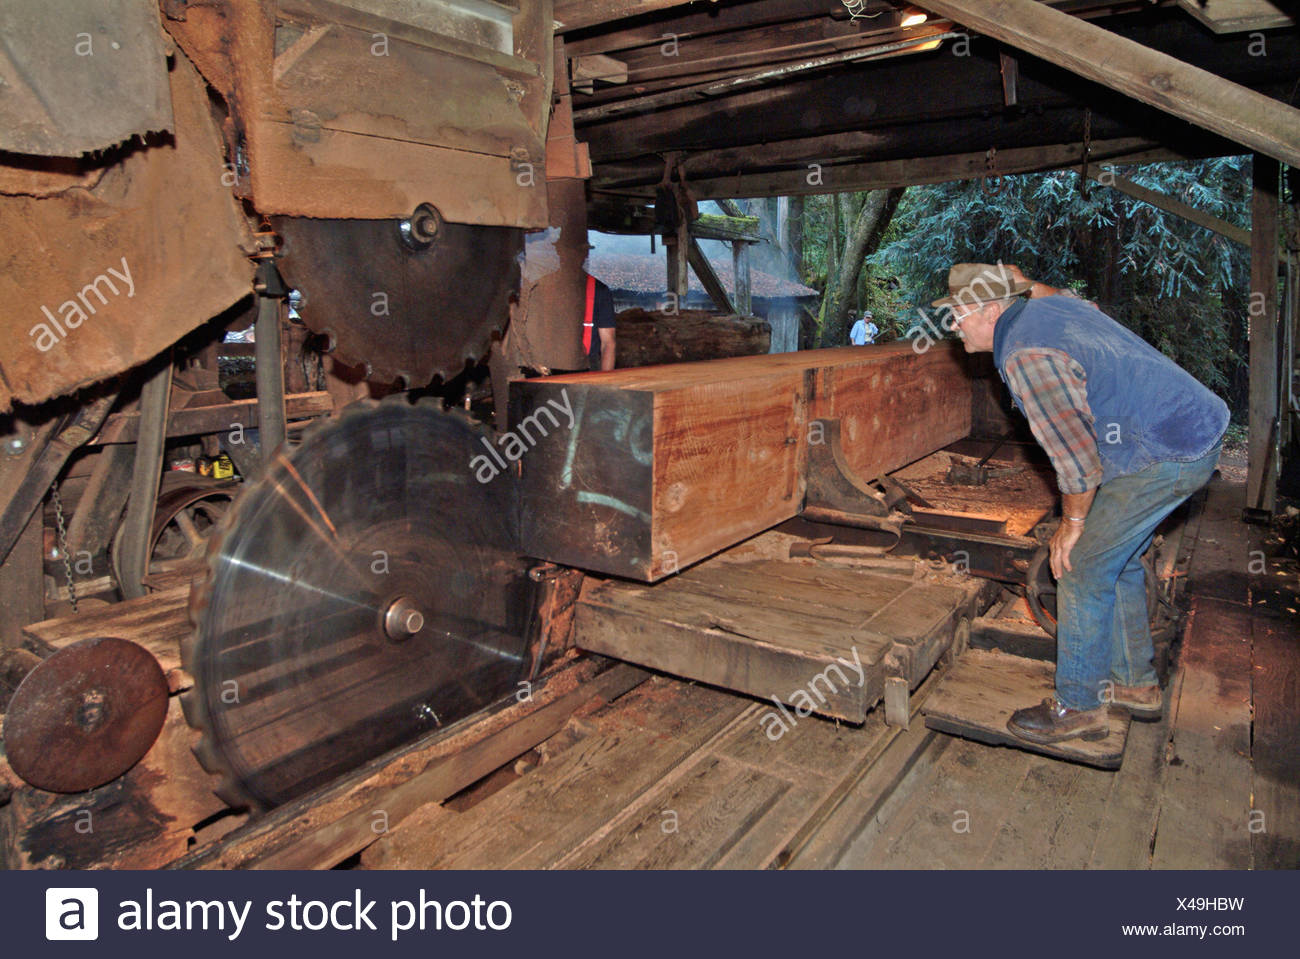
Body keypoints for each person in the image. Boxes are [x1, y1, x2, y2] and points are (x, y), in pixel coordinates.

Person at [934, 263, 1228, 744]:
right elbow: (1068, 297)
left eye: (959, 313)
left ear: (992, 310)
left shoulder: (1025, 355)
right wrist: (1024, 280)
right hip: (1190, 428)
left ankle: (1079, 707)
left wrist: (1071, 525)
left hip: (1170, 449)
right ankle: (1134, 684)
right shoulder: (1048, 307)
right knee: (1120, 558)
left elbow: (1075, 458)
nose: (952, 324)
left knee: (1080, 566)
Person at [583, 273, 617, 371]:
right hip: (553, 363)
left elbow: (608, 343)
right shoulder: (547, 287)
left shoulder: (599, 290)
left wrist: (604, 382)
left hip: (588, 364)